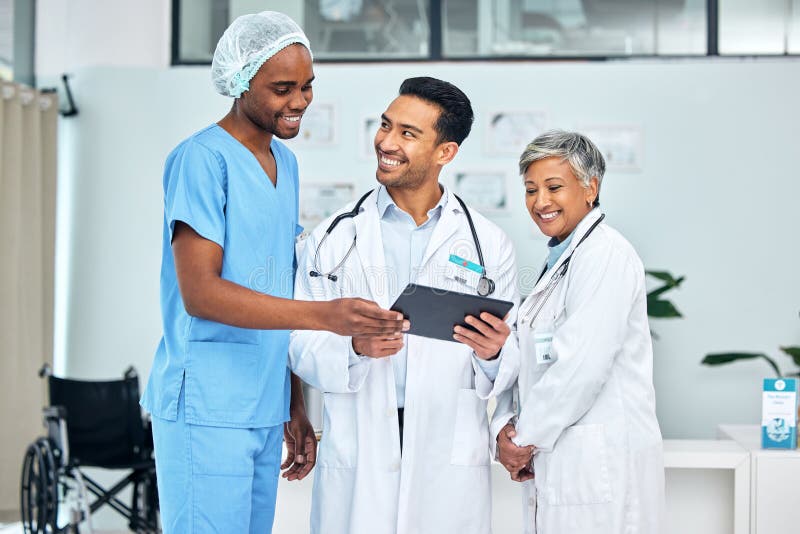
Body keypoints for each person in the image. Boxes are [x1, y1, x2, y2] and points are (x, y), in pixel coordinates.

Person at [140, 12, 405, 534]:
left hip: (262, 403)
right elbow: (201, 293)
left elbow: (274, 285)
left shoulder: (285, 165)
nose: (300, 101)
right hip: (206, 405)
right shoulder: (201, 160)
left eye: (307, 86)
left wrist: (293, 402)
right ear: (240, 83)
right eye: (282, 88)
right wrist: (326, 317)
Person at [289, 77, 520, 533]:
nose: (386, 142)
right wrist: (353, 348)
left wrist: (495, 352)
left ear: (445, 152)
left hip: (445, 450)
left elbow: (506, 367)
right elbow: (299, 344)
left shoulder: (489, 245)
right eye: (385, 126)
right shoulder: (331, 239)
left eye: (407, 134)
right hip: (360, 443)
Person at [492, 130, 665, 533]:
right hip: (568, 458)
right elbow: (539, 360)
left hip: (601, 465)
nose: (540, 202)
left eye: (554, 187)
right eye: (531, 189)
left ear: (591, 187)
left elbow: (580, 366)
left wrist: (524, 439)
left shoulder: (604, 253)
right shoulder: (563, 259)